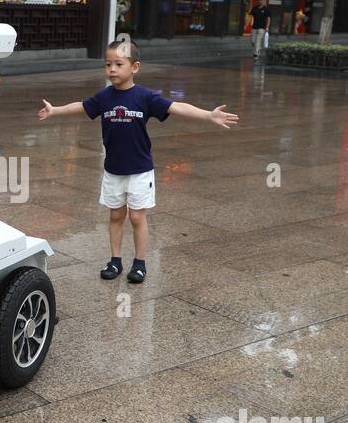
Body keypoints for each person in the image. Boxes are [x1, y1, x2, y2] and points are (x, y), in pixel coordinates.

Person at [36, 40, 238, 284]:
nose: (112, 69)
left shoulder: (145, 96)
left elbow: (177, 106)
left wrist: (208, 115)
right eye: (108, 64)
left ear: (135, 67)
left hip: (140, 170)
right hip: (113, 170)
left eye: (118, 64)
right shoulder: (104, 97)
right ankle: (115, 260)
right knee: (116, 215)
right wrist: (55, 110)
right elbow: (82, 106)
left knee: (136, 217)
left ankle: (140, 263)